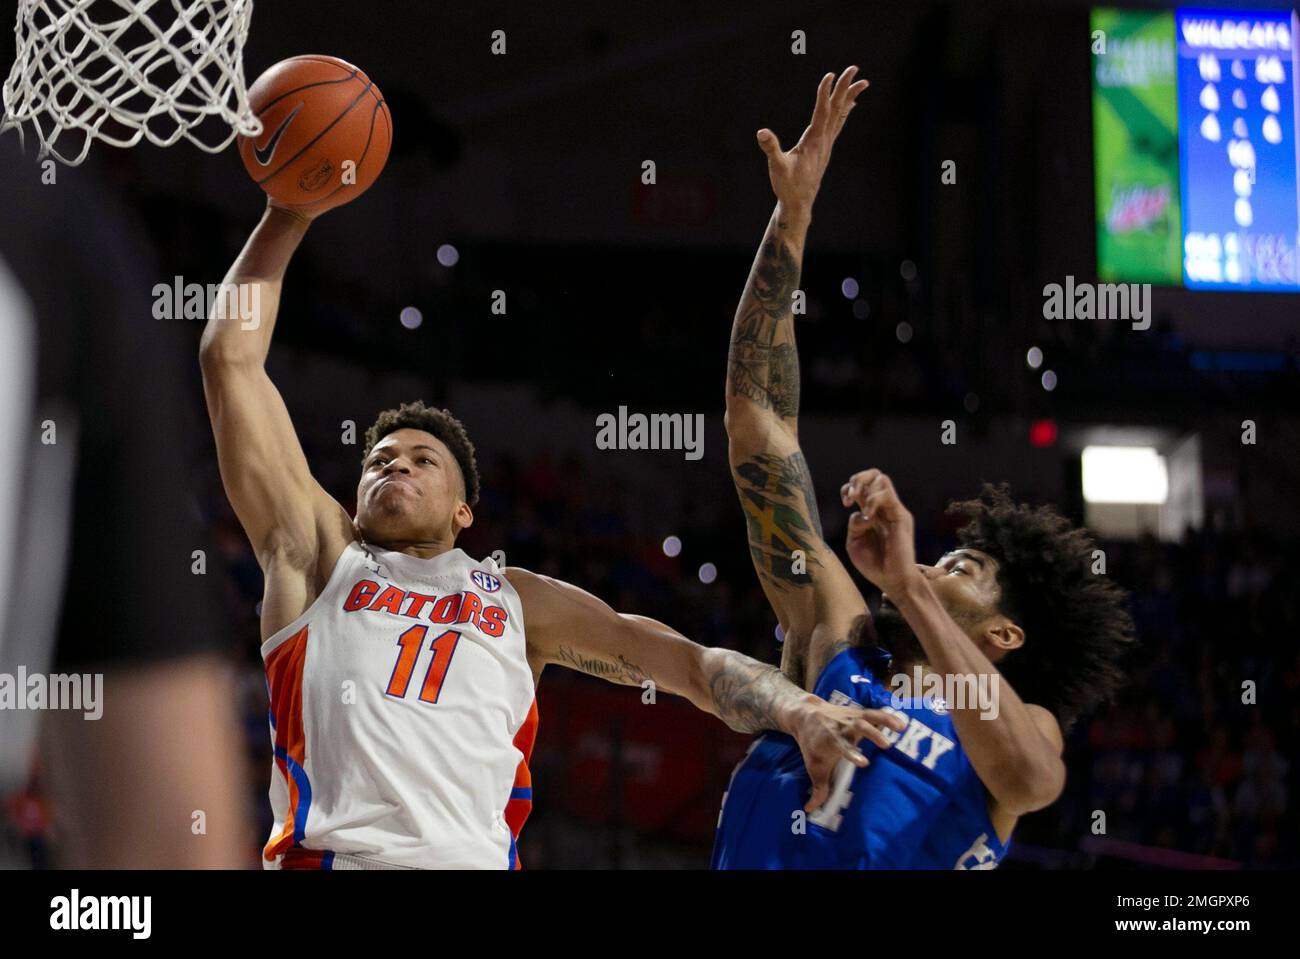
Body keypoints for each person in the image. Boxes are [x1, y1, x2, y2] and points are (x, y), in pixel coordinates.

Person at [200, 196, 906, 870]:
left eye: (423, 460)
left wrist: (802, 709)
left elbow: (687, 666)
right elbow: (229, 361)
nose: (396, 466)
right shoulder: (322, 558)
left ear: (462, 513)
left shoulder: (515, 599)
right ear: (353, 498)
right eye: (380, 460)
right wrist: (287, 215)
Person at [712, 67, 1136, 869]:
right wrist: (793, 216)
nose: (933, 564)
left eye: (960, 566)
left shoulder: (1017, 726)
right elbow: (756, 426)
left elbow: (1031, 777)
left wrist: (909, 584)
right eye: (942, 557)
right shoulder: (837, 638)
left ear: (1004, 632)